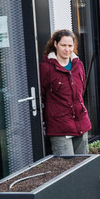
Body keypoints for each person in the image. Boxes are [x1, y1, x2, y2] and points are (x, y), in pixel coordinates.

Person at [39, 28, 90, 156]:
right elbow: (42, 95)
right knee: (66, 168)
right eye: (63, 45)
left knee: (83, 164)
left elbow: (81, 91)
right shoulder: (46, 68)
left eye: (70, 45)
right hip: (59, 126)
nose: (67, 49)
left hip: (81, 123)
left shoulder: (78, 65)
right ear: (55, 44)